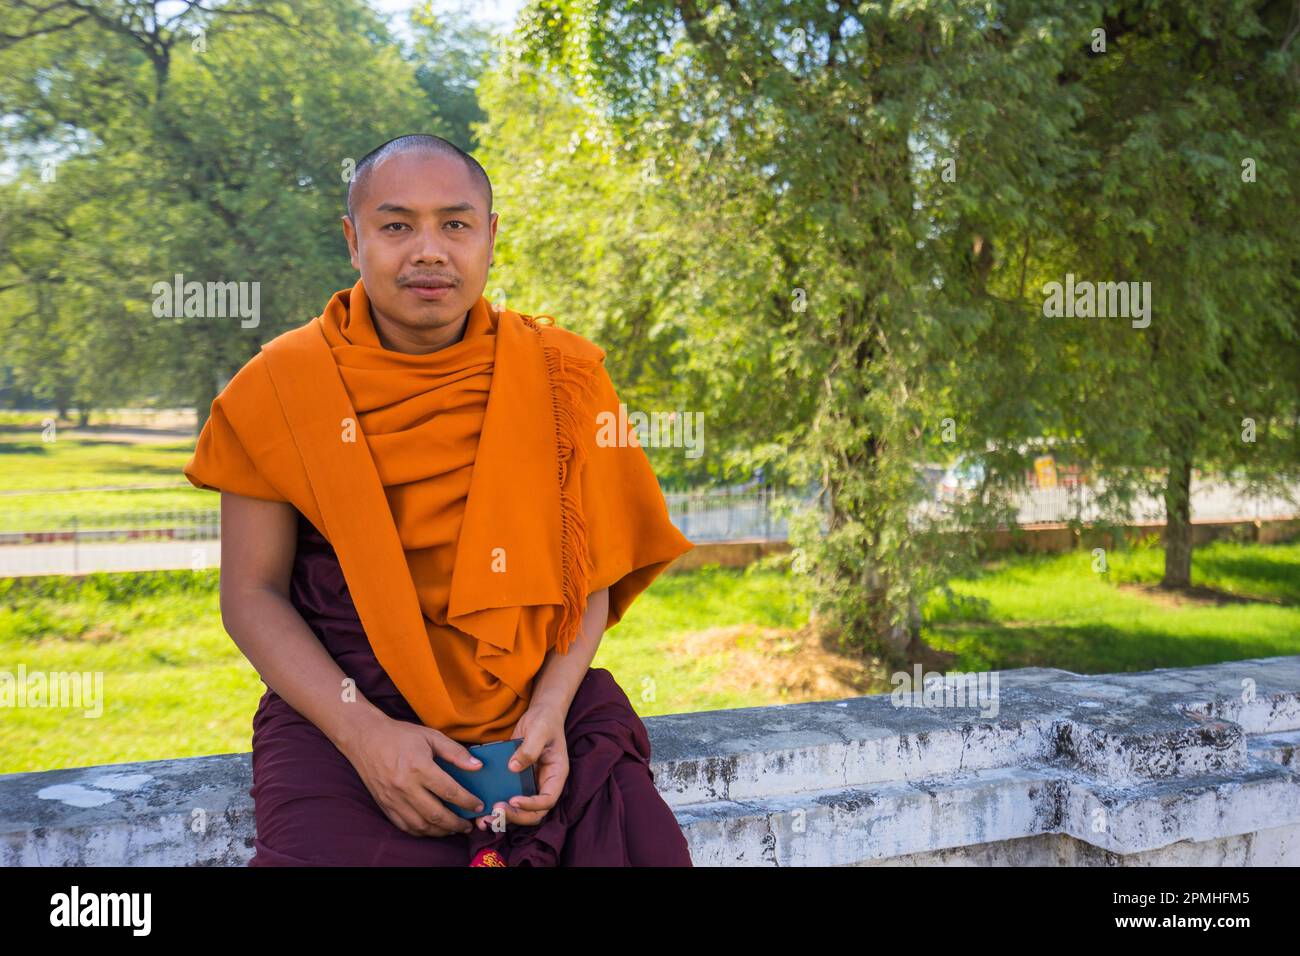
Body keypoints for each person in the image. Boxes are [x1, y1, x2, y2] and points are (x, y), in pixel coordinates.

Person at [183, 133, 695, 866]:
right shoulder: (277, 389)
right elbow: (252, 595)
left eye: (455, 224)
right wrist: (366, 737)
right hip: (345, 711)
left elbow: (595, 574)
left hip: (544, 707)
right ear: (352, 239)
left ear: (490, 236)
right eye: (396, 226)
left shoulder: (562, 378)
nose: (429, 251)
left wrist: (548, 711)